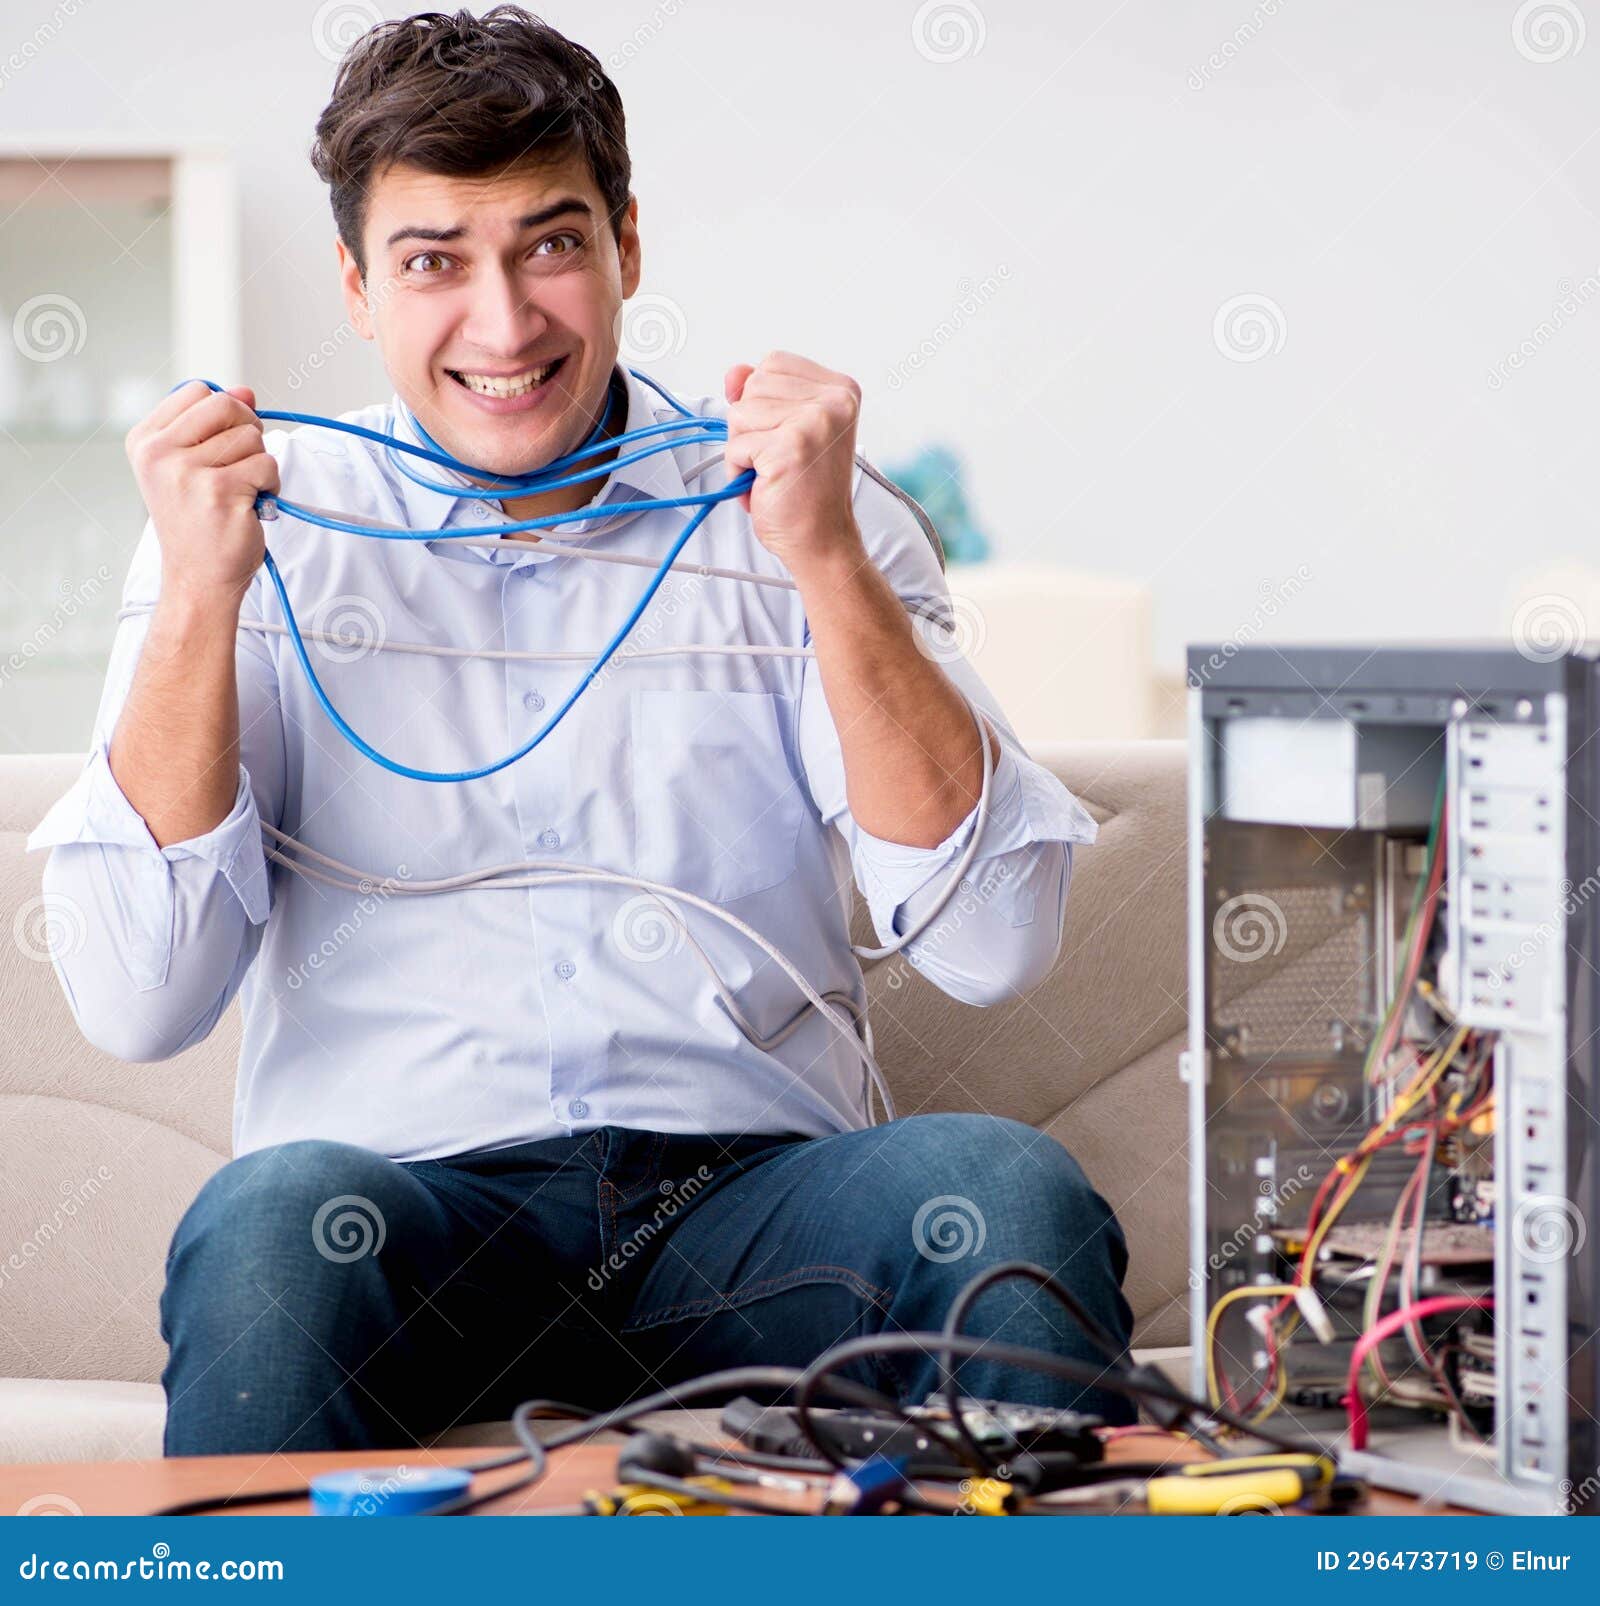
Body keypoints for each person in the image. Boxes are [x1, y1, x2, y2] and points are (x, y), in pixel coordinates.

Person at [27, 5, 1133, 1455]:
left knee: (1002, 1189)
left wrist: (828, 566)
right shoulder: (248, 538)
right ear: (359, 289)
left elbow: (993, 947)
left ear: (626, 246)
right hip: (399, 1217)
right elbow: (137, 1000)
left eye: (550, 245)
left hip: (746, 1217)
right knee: (274, 1222)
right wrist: (197, 601)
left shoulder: (806, 511)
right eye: (435, 263)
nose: (504, 323)